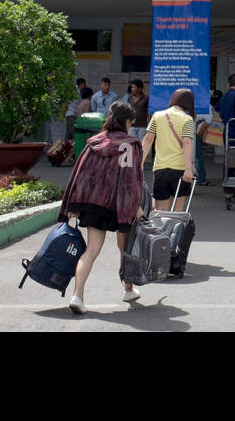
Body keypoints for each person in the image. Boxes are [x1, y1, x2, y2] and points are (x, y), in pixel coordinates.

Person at [60, 99, 143, 315]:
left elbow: (81, 172)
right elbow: (130, 179)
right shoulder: (128, 145)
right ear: (126, 122)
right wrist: (136, 206)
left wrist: (75, 201)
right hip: (119, 205)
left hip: (93, 202)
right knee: (124, 248)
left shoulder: (95, 142)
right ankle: (128, 289)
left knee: (91, 250)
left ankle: (77, 295)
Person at [141, 88, 196, 212]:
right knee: (177, 211)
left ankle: (162, 232)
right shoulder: (187, 119)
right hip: (179, 169)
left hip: (160, 168)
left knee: (161, 211)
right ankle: (174, 231)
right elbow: (187, 143)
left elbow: (147, 140)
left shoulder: (157, 115)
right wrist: (188, 169)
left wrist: (140, 163)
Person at [64, 86, 89, 162]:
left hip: (70, 115)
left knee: (68, 138)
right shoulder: (73, 92)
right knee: (76, 138)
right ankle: (77, 156)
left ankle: (66, 155)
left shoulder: (73, 91)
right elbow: (65, 104)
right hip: (71, 116)